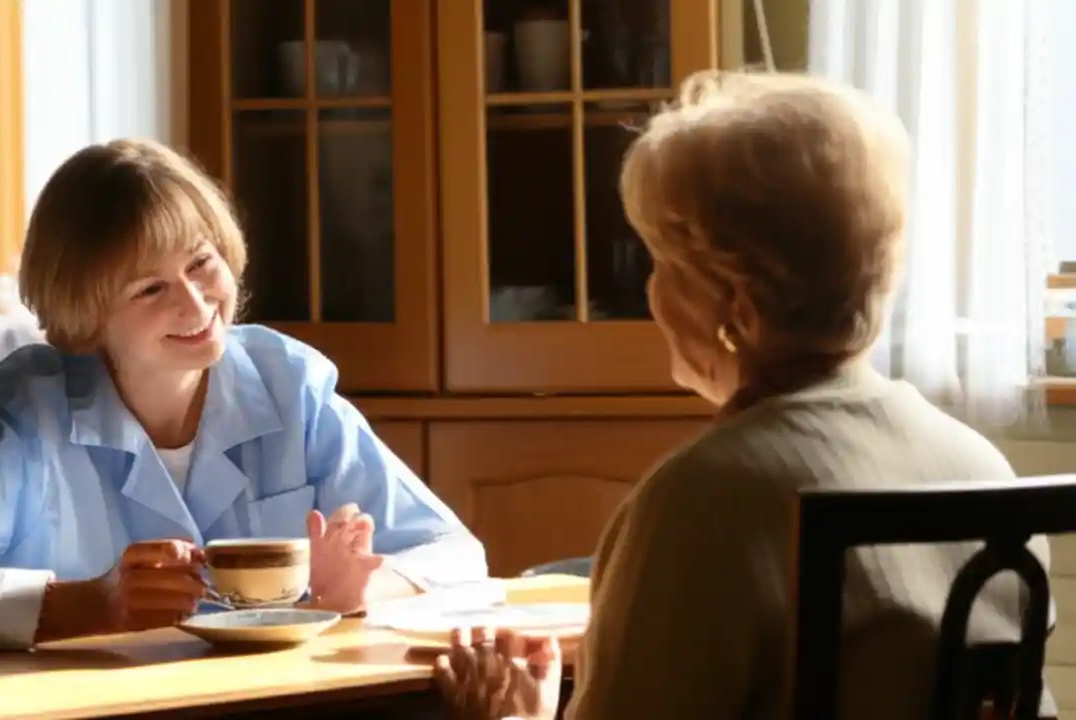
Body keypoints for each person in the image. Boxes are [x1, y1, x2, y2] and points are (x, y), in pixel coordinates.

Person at [435, 70, 1053, 719]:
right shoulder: (977, 465)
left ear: (739, 310)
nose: (650, 292)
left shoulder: (699, 499)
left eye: (662, 264)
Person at [0, 138, 486, 651]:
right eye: (150, 290)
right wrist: (85, 605)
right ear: (87, 316)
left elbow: (459, 557)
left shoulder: (289, 384)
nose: (196, 301)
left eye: (201, 262)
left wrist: (361, 589)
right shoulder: (26, 410)